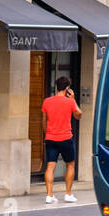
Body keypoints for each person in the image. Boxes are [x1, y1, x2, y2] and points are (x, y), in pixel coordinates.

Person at [41, 76, 82, 204]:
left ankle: (49, 195)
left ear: (56, 87)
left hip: (50, 138)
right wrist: (73, 100)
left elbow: (44, 120)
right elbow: (79, 115)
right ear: (67, 89)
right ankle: (68, 194)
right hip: (65, 138)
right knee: (70, 164)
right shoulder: (70, 102)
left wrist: (46, 134)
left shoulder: (47, 101)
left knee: (50, 165)